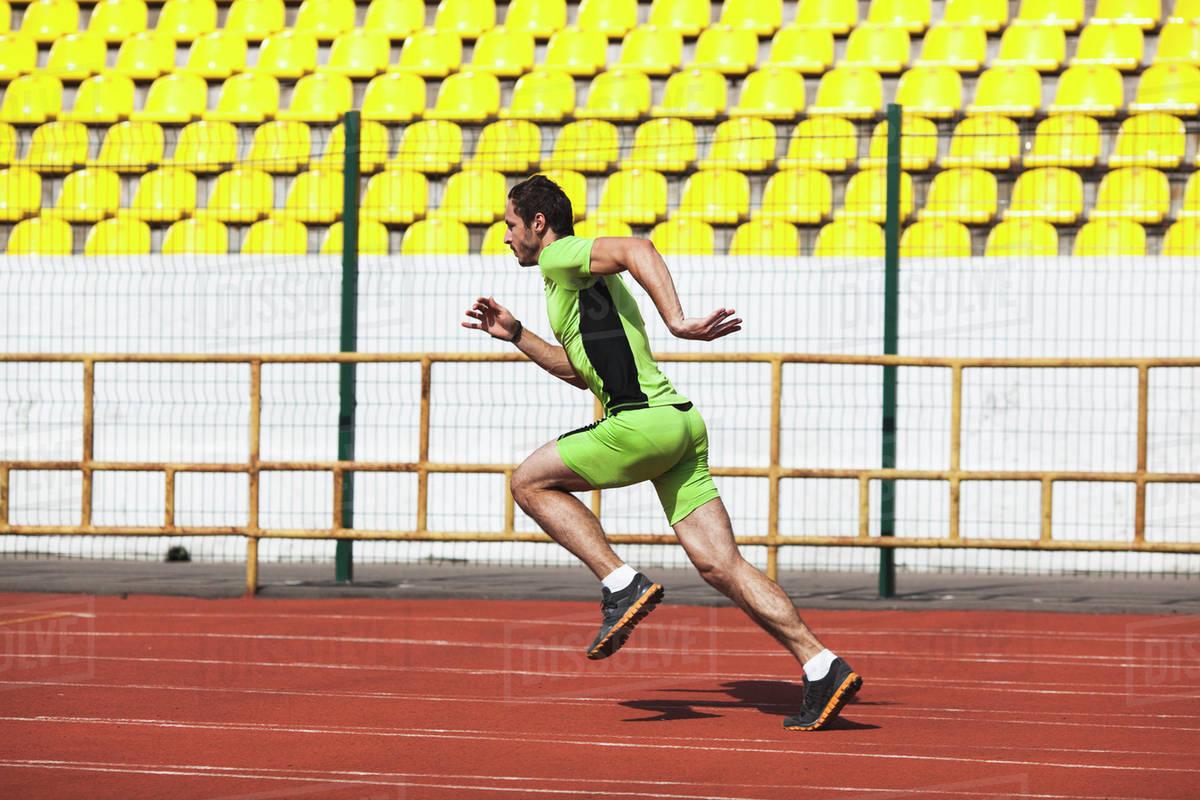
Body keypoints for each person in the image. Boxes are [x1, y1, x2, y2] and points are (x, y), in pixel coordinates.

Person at [461, 175, 861, 731]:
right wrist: (518, 333)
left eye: (508, 224)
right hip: (680, 426)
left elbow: (638, 248)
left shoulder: (559, 258)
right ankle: (821, 664)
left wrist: (678, 321)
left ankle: (621, 583)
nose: (503, 237)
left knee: (528, 483)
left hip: (640, 426)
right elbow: (581, 374)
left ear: (537, 223)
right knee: (721, 565)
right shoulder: (571, 280)